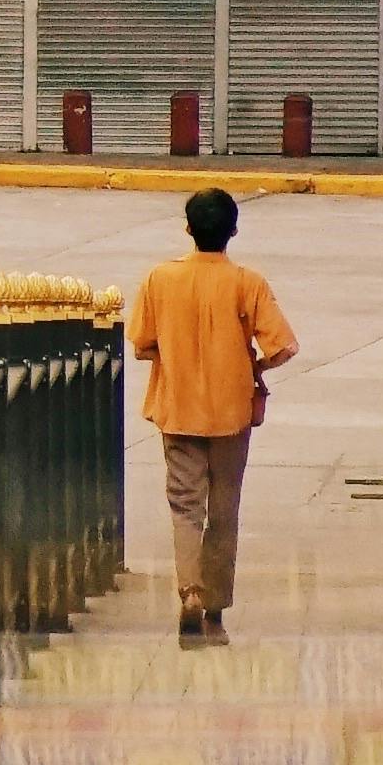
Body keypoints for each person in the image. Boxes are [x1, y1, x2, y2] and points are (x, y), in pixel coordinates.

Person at [128, 182, 296, 644]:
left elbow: (142, 343)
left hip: (177, 408)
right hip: (231, 412)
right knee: (224, 510)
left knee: (185, 507)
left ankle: (189, 592)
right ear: (234, 231)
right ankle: (216, 610)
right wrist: (252, 364)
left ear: (187, 229)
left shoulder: (159, 279)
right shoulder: (248, 283)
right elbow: (283, 347)